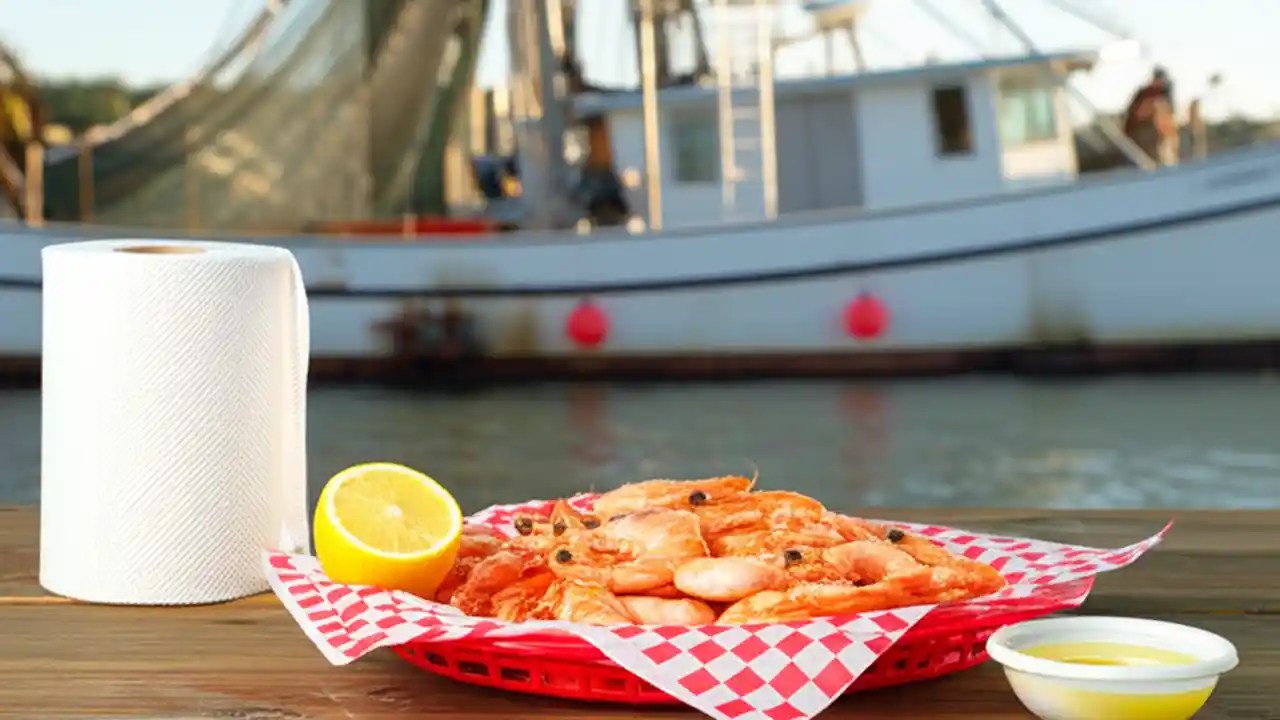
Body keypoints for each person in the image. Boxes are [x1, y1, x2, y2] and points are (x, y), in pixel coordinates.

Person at [1123, 67, 1179, 166]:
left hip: (1162, 135)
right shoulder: (1144, 93)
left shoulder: (1163, 92)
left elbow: (1170, 113)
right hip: (1144, 133)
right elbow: (1134, 113)